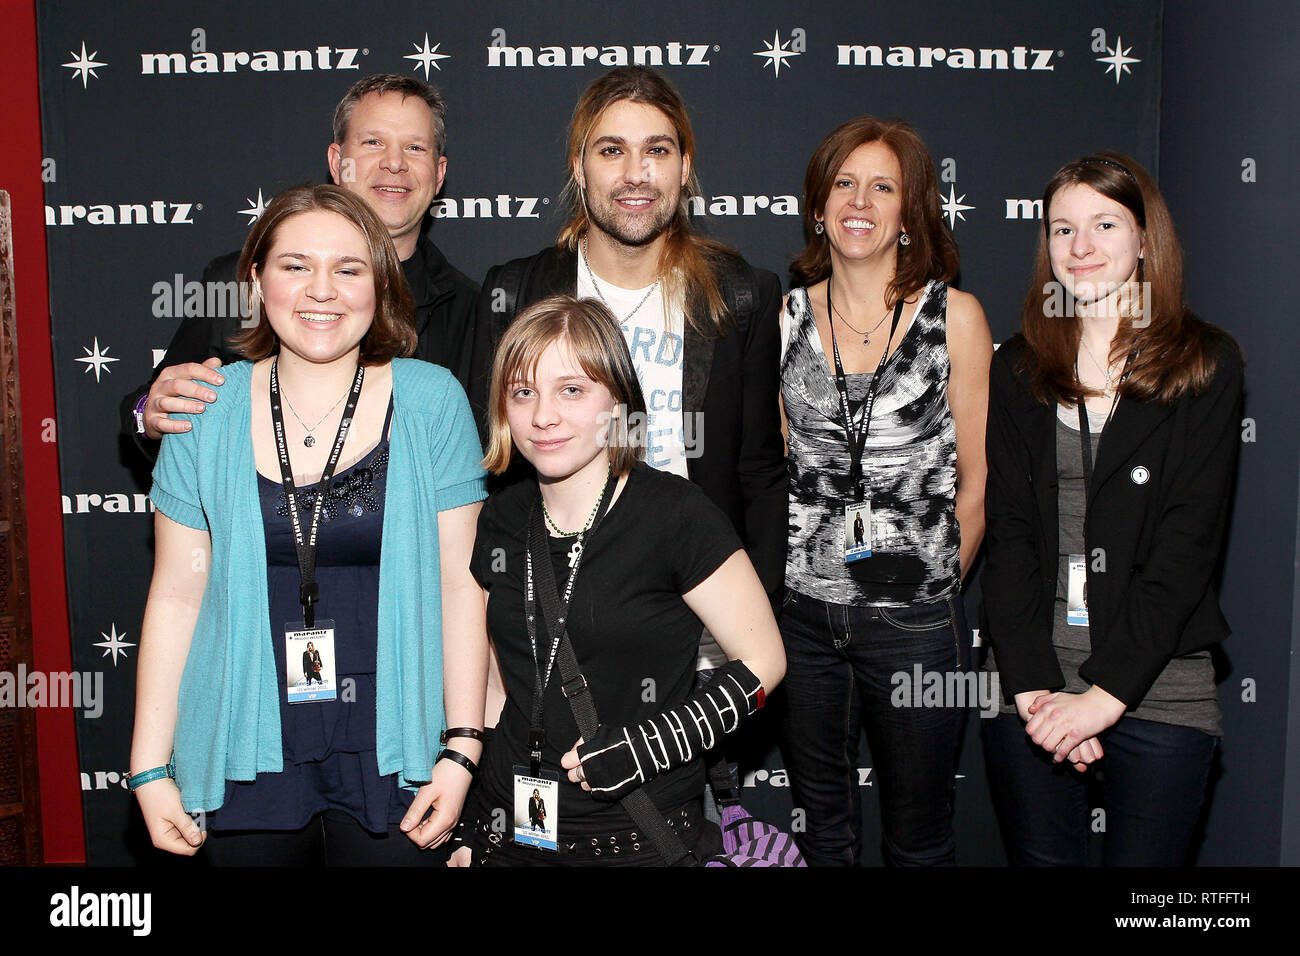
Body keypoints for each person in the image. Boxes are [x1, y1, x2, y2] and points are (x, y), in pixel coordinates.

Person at [128, 184, 488, 866]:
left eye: (348, 269)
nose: (321, 290)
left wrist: (462, 749)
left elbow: (460, 584)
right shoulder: (203, 408)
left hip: (396, 748)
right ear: (257, 279)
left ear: (380, 285)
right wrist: (150, 767)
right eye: (295, 265)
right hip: (244, 745)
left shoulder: (432, 399)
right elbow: (177, 594)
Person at [980, 152, 1243, 866]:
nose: (1081, 247)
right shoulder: (1018, 368)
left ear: (1144, 239)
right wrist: (1036, 691)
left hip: (1159, 683)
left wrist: (1102, 697)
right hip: (1031, 682)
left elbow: (1188, 550)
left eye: (1103, 224)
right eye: (1062, 230)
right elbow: (1007, 539)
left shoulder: (1206, 365)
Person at [458, 295, 785, 866]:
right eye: (523, 391)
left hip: (638, 835)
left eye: (572, 390)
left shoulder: (676, 514)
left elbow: (765, 663)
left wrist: (648, 745)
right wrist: (472, 829)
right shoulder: (501, 517)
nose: (543, 416)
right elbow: (495, 684)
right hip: (510, 833)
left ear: (618, 402)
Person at [468, 66, 786, 615]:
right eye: (612, 150)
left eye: (657, 151)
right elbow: (492, 463)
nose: (636, 174)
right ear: (579, 167)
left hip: (701, 617)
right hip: (557, 609)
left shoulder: (739, 295)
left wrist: (750, 610)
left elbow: (759, 473)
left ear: (685, 168)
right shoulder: (516, 293)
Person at [778, 117, 993, 866]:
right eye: (843, 183)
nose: (860, 200)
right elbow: (785, 466)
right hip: (804, 621)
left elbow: (976, 481)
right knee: (823, 833)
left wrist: (929, 598)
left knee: (919, 839)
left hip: (915, 622)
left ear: (910, 211)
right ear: (817, 204)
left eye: (883, 186)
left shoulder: (954, 318)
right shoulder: (786, 317)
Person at [122, 73, 479, 455]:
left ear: (439, 173)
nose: (394, 163)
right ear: (337, 161)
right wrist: (149, 416)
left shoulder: (469, 309)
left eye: (415, 147)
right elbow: (153, 411)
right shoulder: (238, 282)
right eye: (373, 142)